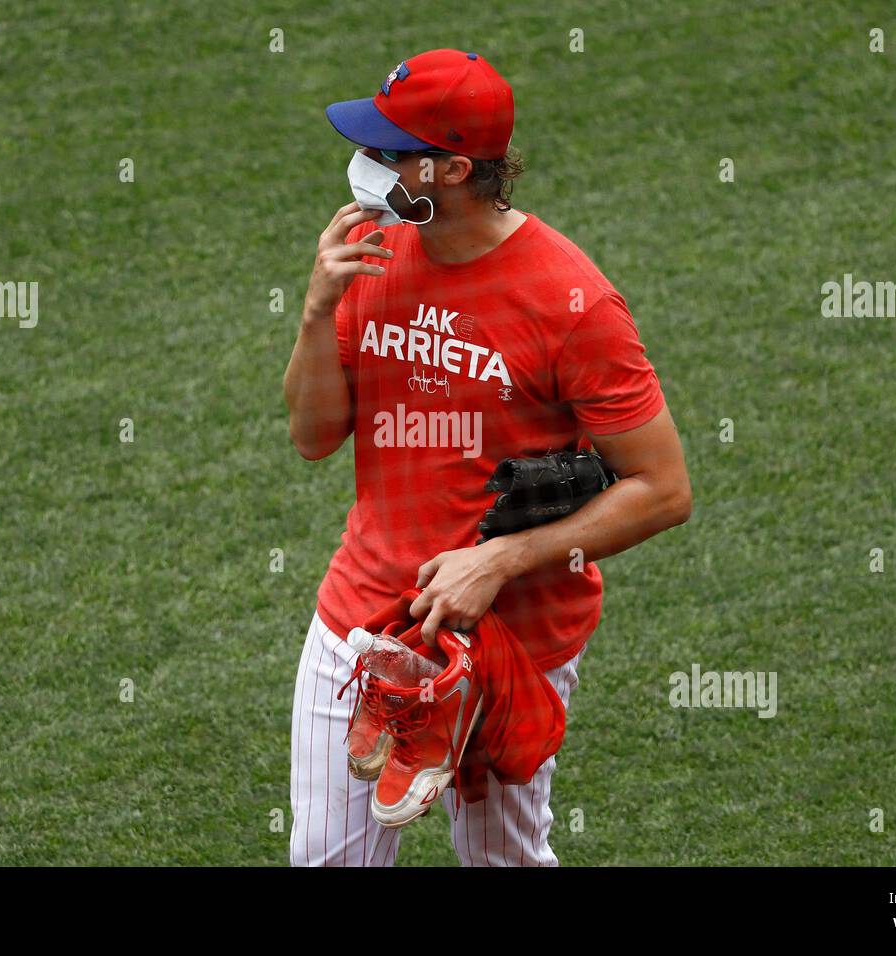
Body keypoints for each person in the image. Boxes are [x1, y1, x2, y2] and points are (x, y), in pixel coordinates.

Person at [282, 48, 692, 866]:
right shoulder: (374, 254)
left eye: (389, 152)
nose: (364, 167)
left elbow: (664, 488)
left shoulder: (569, 301)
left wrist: (502, 559)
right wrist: (318, 307)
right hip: (364, 616)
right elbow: (313, 436)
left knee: (501, 859)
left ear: (453, 168)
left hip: (514, 637)